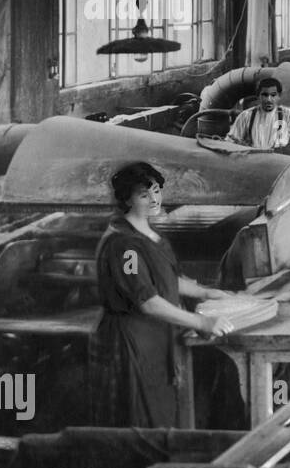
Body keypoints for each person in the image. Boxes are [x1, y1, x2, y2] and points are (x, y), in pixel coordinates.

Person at [90, 162, 234, 427]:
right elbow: (148, 301)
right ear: (126, 200)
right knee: (140, 420)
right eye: (144, 195)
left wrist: (206, 292)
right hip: (133, 344)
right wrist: (201, 322)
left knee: (162, 414)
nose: (154, 199)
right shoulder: (125, 246)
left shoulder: (148, 234)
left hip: (156, 340)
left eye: (156, 190)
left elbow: (167, 279)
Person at [226, 77, 290, 150]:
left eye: (273, 95)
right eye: (265, 95)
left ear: (279, 96)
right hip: (253, 163)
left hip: (279, 162)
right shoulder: (246, 116)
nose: (269, 99)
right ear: (258, 96)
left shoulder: (288, 115)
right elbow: (230, 142)